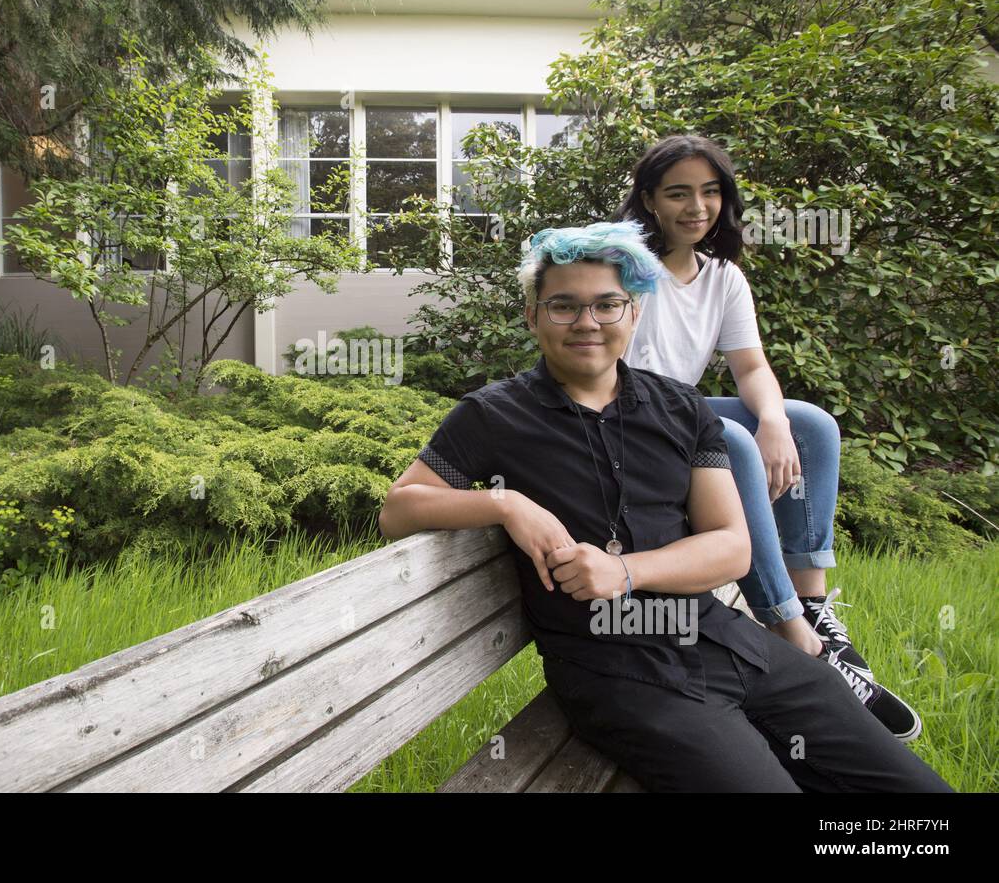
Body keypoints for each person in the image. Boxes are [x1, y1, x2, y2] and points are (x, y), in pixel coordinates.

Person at [376, 220, 949, 792]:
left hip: (730, 645)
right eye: (563, 306)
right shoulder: (493, 416)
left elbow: (731, 547)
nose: (586, 323)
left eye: (607, 305)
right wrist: (507, 503)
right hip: (620, 674)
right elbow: (398, 508)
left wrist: (624, 571)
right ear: (532, 315)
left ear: (635, 313)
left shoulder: (680, 407)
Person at [612, 134, 919, 738]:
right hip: (628, 417)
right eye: (678, 193)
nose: (697, 207)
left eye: (710, 192)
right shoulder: (625, 264)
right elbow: (611, 367)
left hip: (685, 409)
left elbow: (750, 367)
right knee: (732, 438)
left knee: (810, 425)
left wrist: (775, 419)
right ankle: (791, 633)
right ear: (649, 199)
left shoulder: (722, 276)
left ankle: (814, 605)